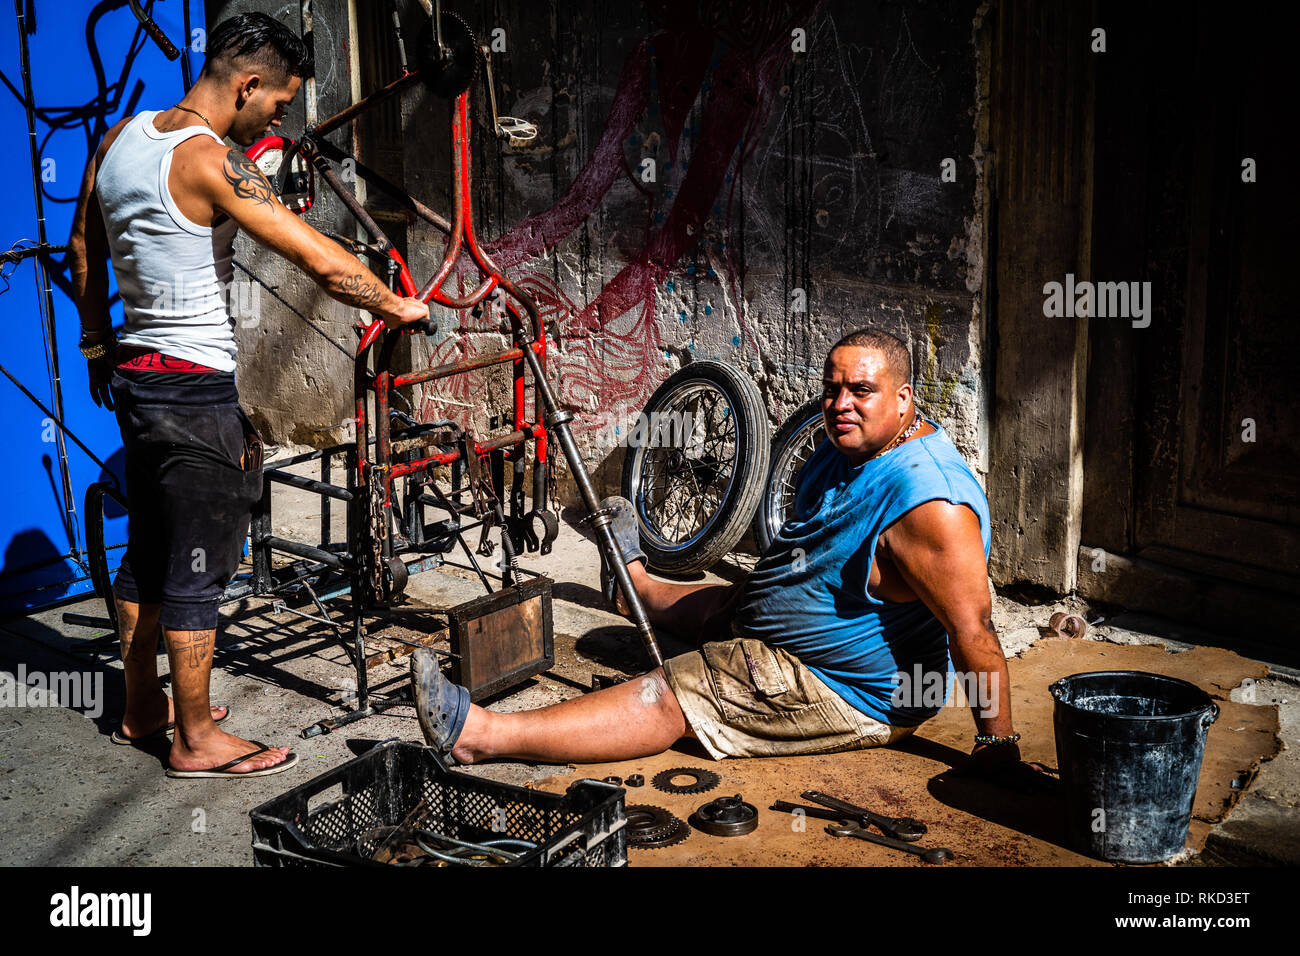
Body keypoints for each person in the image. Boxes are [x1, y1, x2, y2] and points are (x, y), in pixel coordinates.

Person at [67, 13, 430, 778]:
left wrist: (97, 345)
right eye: (279, 104)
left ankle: (143, 709)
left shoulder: (119, 139)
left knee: (148, 552)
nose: (279, 119)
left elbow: (82, 248)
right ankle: (196, 740)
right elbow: (319, 259)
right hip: (194, 393)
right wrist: (398, 306)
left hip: (138, 379)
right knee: (197, 567)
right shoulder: (211, 161)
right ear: (248, 84)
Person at [411, 329, 1028, 777]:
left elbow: (972, 631)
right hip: (790, 629)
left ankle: (481, 736)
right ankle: (637, 588)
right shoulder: (851, 444)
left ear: (905, 400)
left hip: (850, 689)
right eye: (832, 388)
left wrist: (997, 747)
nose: (841, 404)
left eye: (862, 390)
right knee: (730, 603)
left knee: (674, 692)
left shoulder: (930, 506)